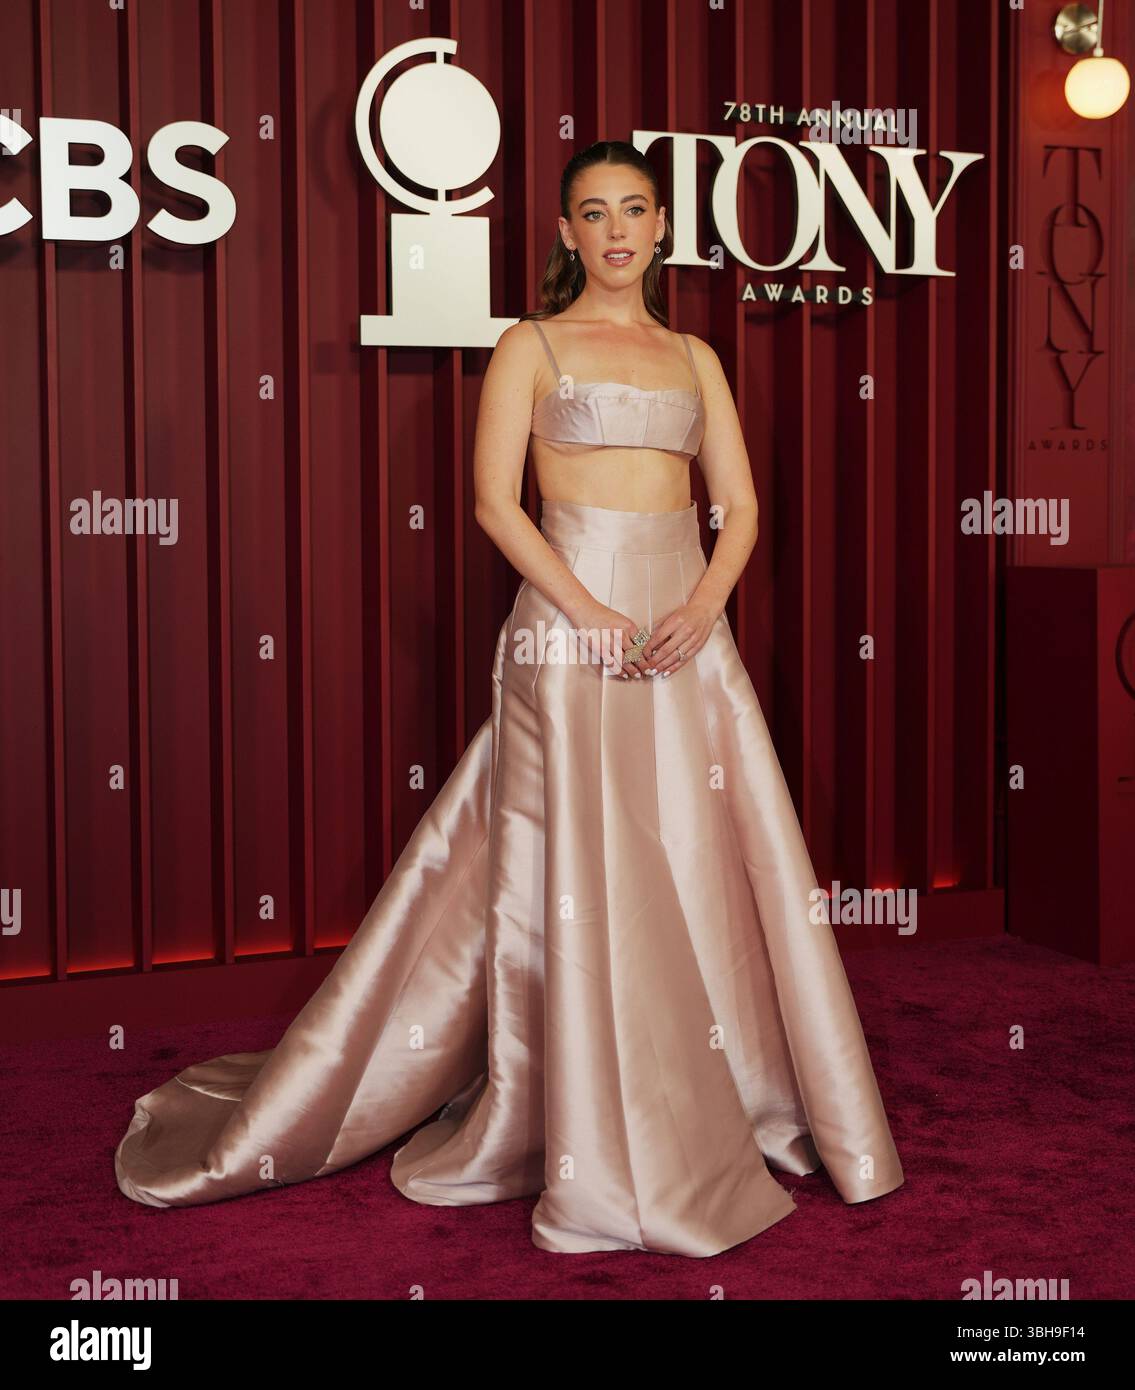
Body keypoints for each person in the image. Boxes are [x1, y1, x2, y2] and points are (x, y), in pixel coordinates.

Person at [115, 139, 903, 1258]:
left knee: (704, 849)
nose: (618, 229)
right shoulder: (526, 344)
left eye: (636, 208)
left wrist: (702, 607)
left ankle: (741, 1093)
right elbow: (494, 505)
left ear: (665, 227)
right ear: (567, 235)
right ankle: (574, 1116)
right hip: (568, 626)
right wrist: (585, 610)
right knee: (585, 865)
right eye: (594, 211)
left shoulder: (695, 356)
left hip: (686, 631)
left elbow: (740, 507)